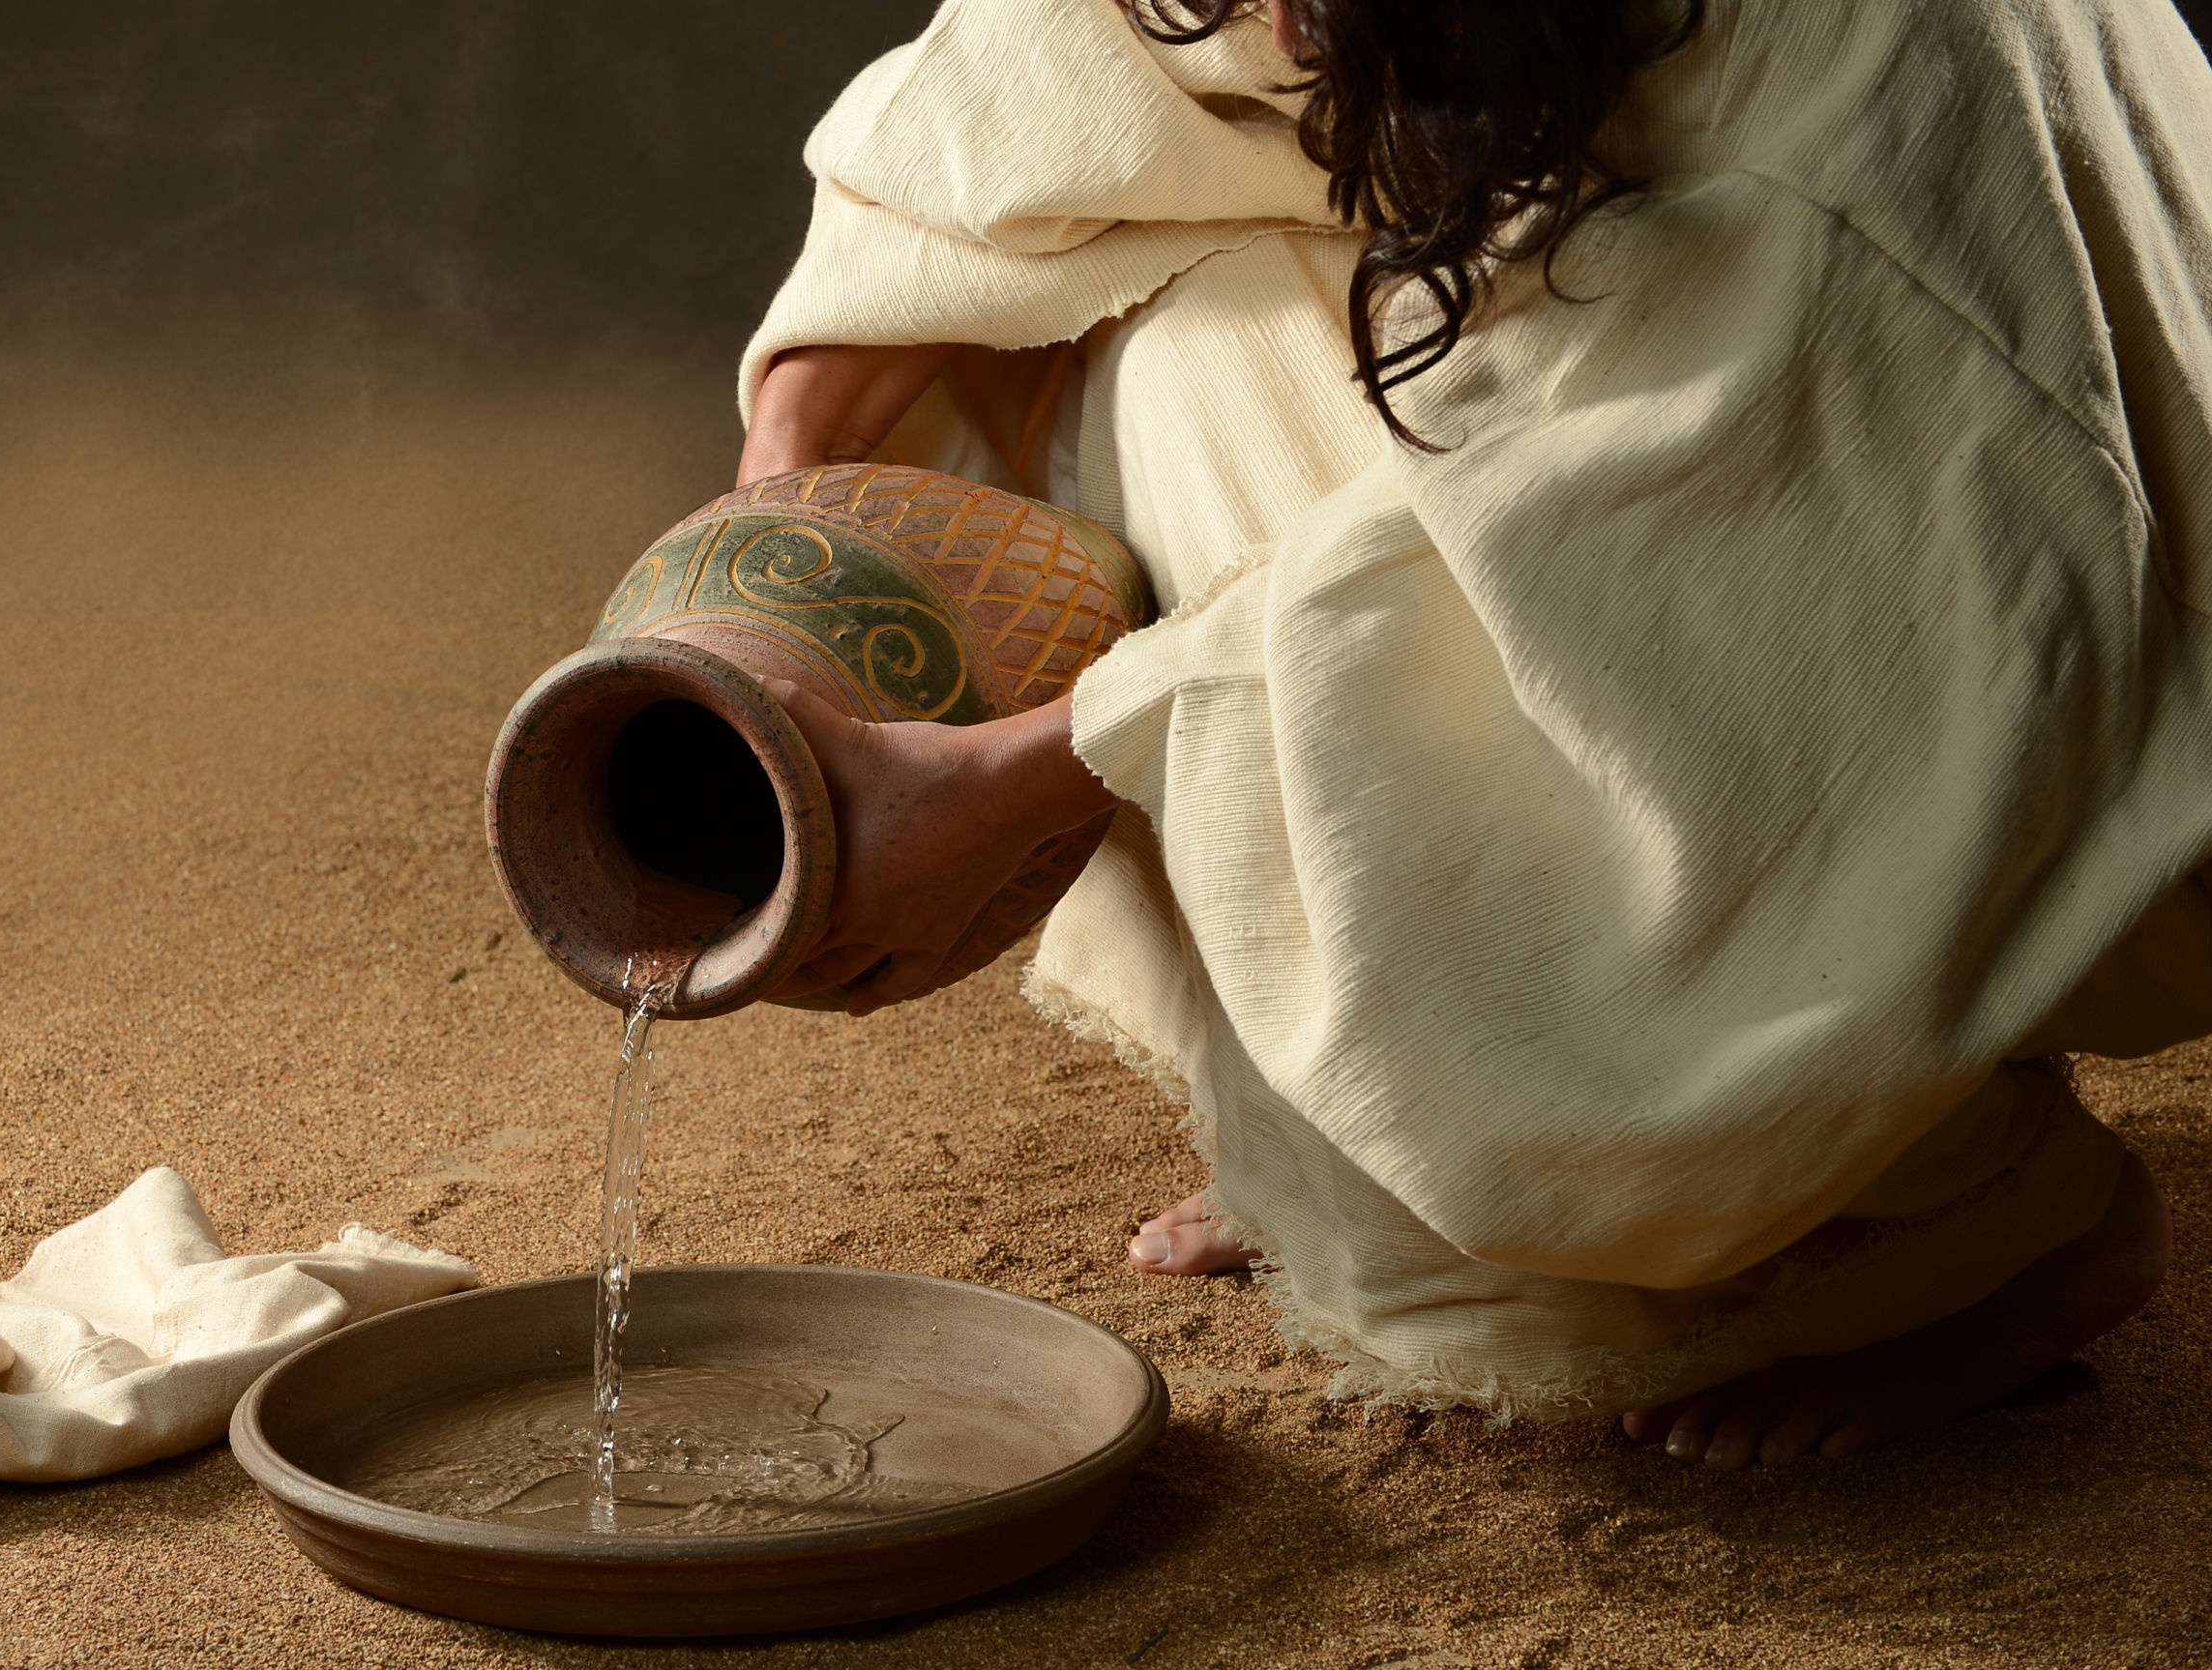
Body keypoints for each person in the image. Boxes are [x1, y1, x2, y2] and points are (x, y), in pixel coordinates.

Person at [735, 0, 2212, 1466]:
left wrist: (1006, 778)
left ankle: (1975, 1217)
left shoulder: (1858, 89)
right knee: (1190, 339)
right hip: (1630, 297)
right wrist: (787, 471)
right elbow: (1057, 57)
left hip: (1954, 600)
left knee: (1529, 1239)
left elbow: (1570, 596)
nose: (1278, 45)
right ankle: (1335, 1106)